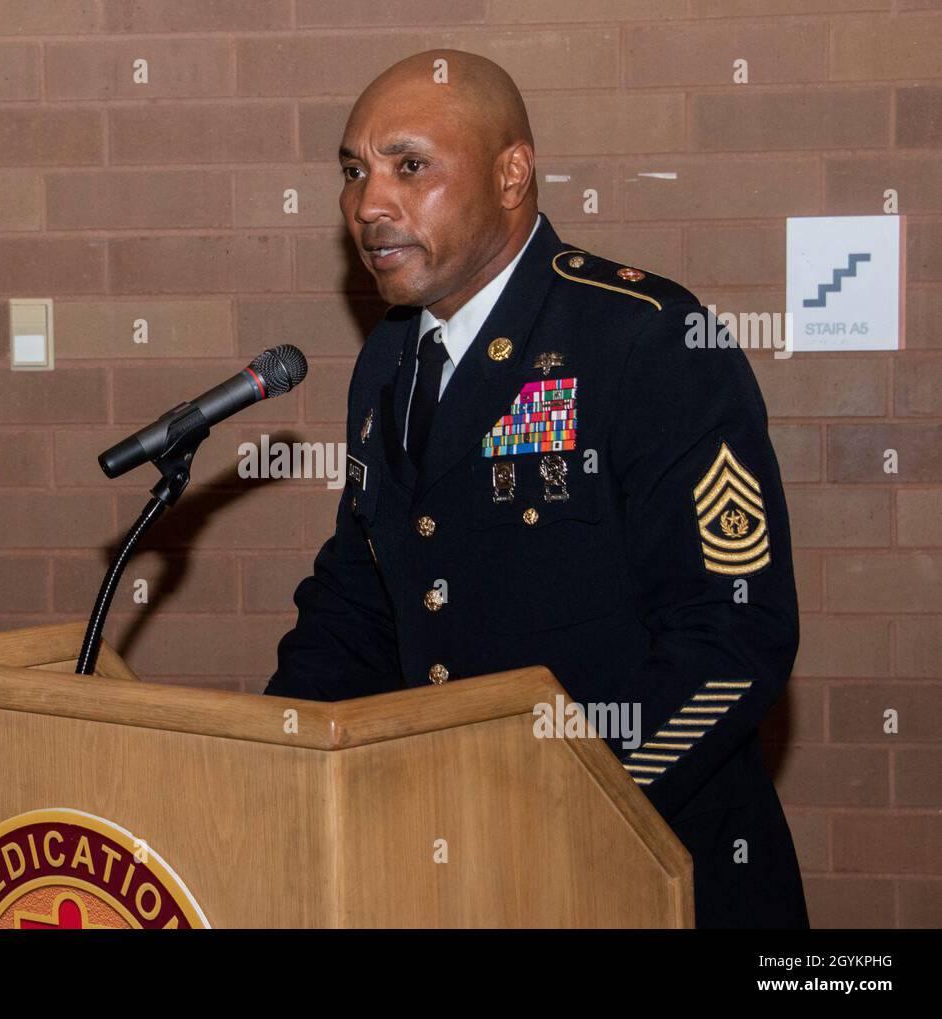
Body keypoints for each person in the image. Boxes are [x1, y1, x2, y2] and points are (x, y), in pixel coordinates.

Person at [263, 49, 808, 929]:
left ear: (512, 173)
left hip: (646, 868)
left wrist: (574, 806)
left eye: (410, 166)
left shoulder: (644, 340)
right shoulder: (389, 362)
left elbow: (734, 637)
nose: (368, 203)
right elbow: (360, 604)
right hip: (459, 871)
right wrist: (273, 766)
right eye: (354, 171)